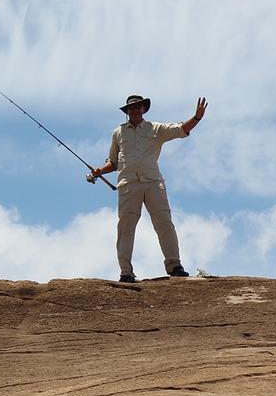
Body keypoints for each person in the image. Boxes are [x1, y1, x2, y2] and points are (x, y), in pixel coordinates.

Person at [87, 94, 207, 282]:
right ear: (127, 112)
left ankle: (174, 265)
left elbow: (181, 129)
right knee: (126, 227)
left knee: (164, 224)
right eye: (131, 107)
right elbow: (113, 161)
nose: (135, 109)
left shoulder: (156, 129)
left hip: (153, 183)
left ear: (143, 108)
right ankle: (126, 272)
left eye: (138, 106)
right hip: (128, 184)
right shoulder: (118, 132)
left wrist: (197, 117)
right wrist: (99, 171)